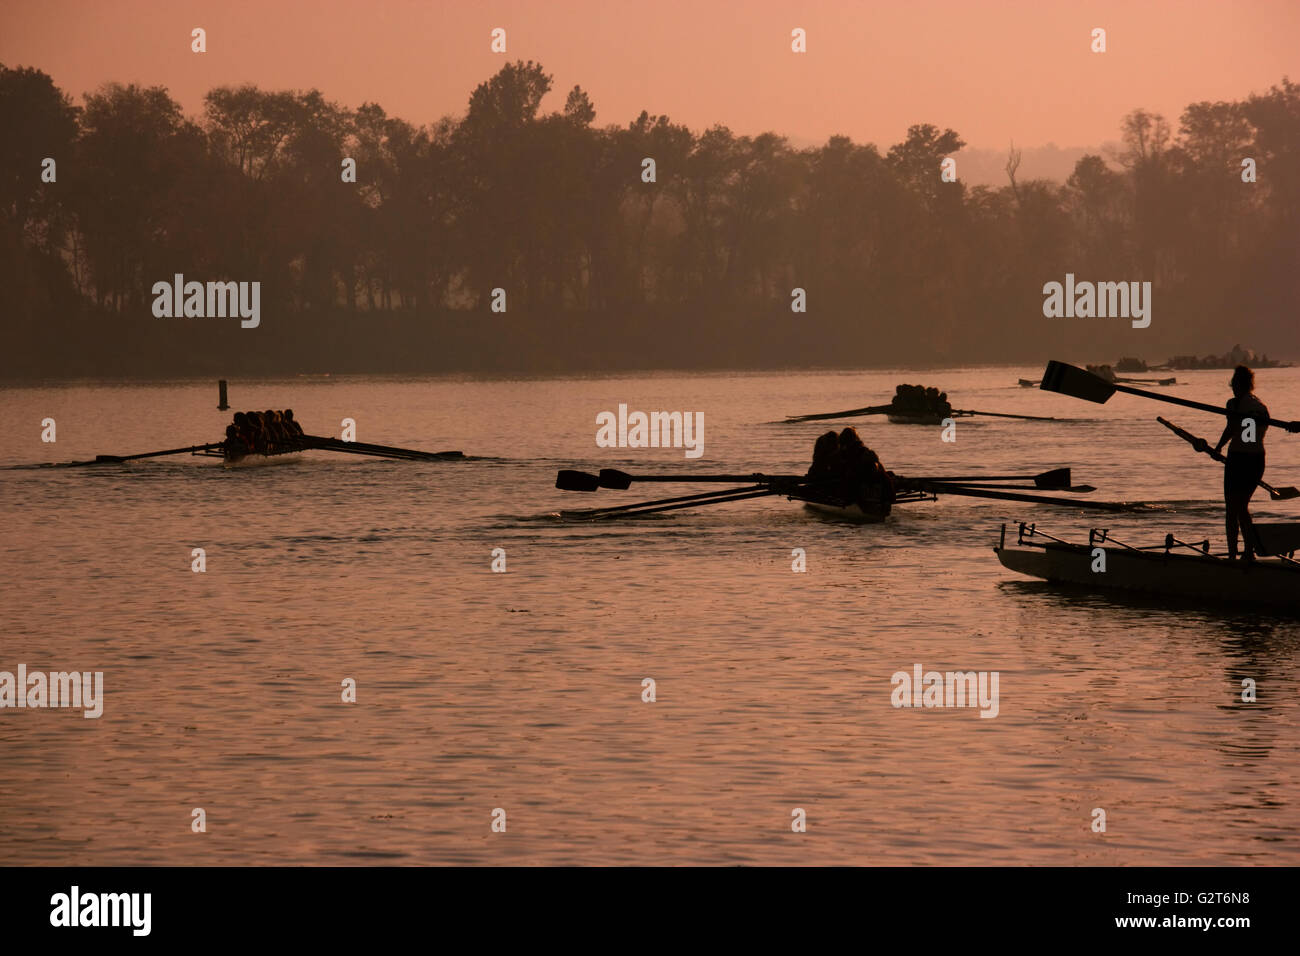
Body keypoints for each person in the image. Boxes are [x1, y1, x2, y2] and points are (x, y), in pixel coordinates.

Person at [1201, 366, 1269, 560]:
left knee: (1233, 508)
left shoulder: (1234, 404)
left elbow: (1231, 428)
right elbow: (1249, 433)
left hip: (1239, 459)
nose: (1233, 389)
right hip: (1257, 459)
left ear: (1237, 385)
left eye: (1234, 385)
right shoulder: (1261, 406)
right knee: (1241, 506)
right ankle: (1248, 551)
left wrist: (1219, 447)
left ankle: (1233, 554)